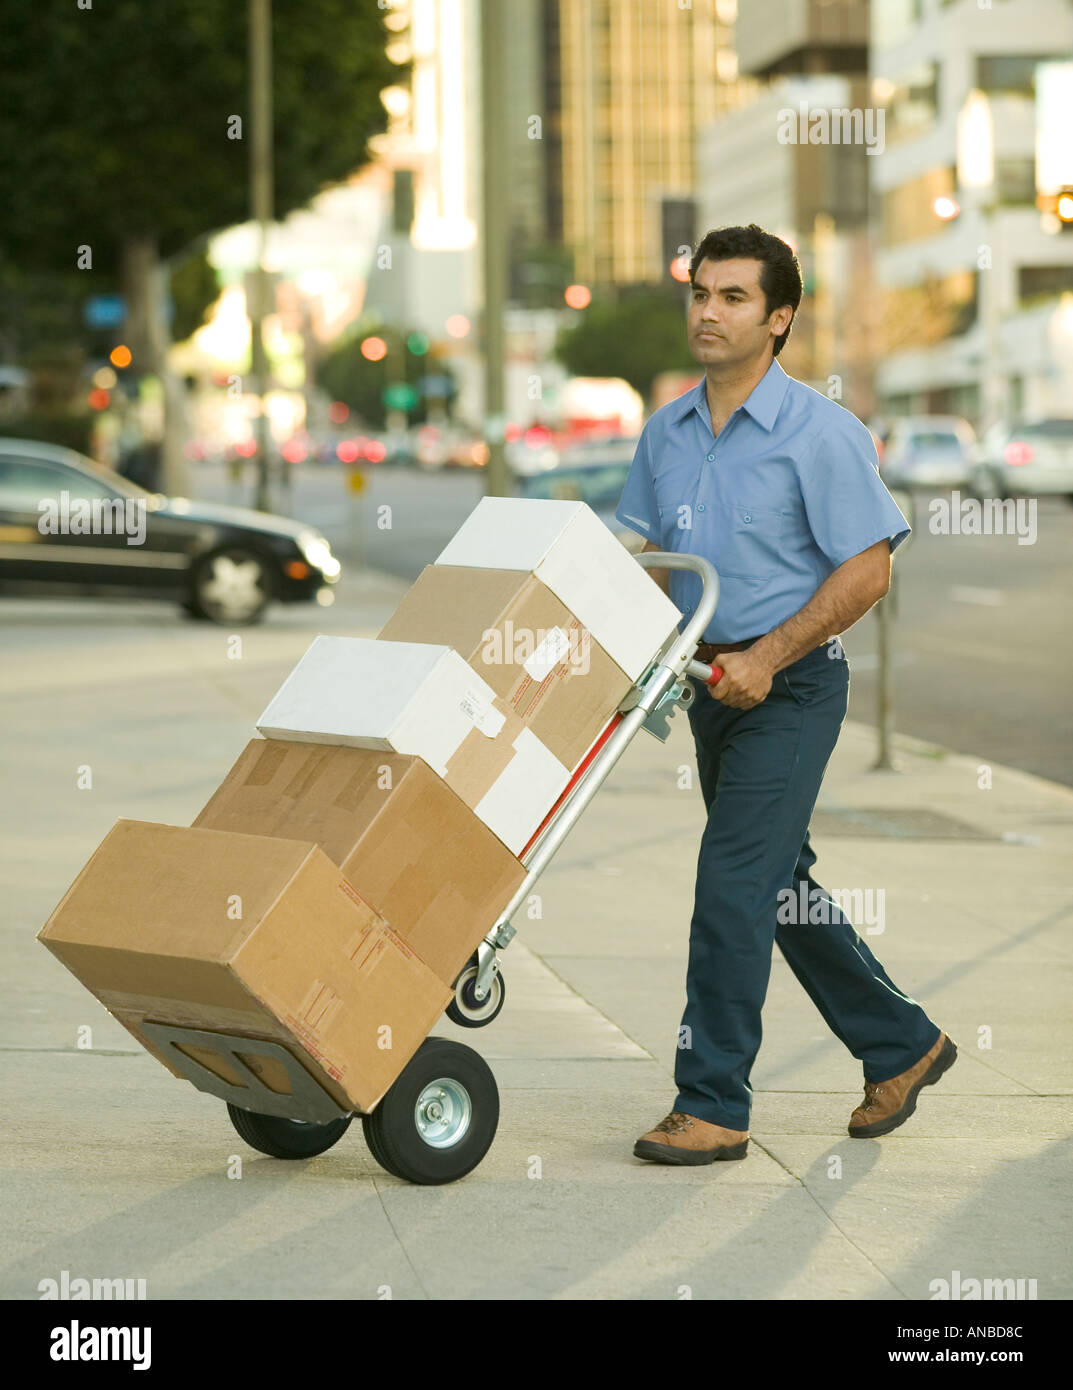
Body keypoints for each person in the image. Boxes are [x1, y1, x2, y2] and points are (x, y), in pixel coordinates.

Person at [614, 223, 956, 1166]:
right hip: (707, 684)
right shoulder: (667, 431)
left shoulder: (821, 433)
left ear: (778, 319)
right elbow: (648, 562)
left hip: (792, 689)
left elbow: (868, 570)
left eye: (732, 297)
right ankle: (901, 1045)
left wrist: (768, 655)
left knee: (731, 886)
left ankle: (712, 1101)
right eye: (700, 293)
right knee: (774, 890)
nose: (709, 312)